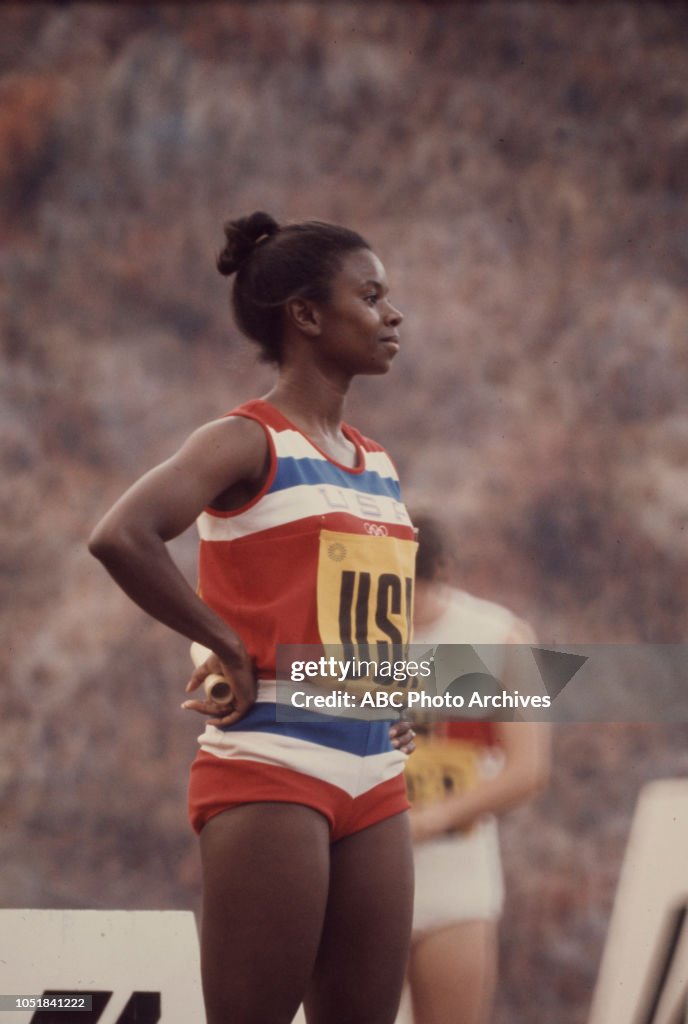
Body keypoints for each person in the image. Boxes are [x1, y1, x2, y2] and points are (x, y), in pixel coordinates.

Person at [89, 211, 418, 1024]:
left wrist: (388, 691)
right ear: (305, 315)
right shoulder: (245, 440)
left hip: (375, 772)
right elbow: (120, 536)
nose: (393, 315)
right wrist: (224, 643)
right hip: (274, 760)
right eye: (370, 296)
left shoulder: (375, 461)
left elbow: (351, 612)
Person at [397, 513, 551, 1024]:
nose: (401, 605)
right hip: (363, 873)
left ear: (439, 571)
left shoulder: (499, 635)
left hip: (455, 875)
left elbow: (527, 770)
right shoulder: (345, 637)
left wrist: (430, 819)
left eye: (411, 588)